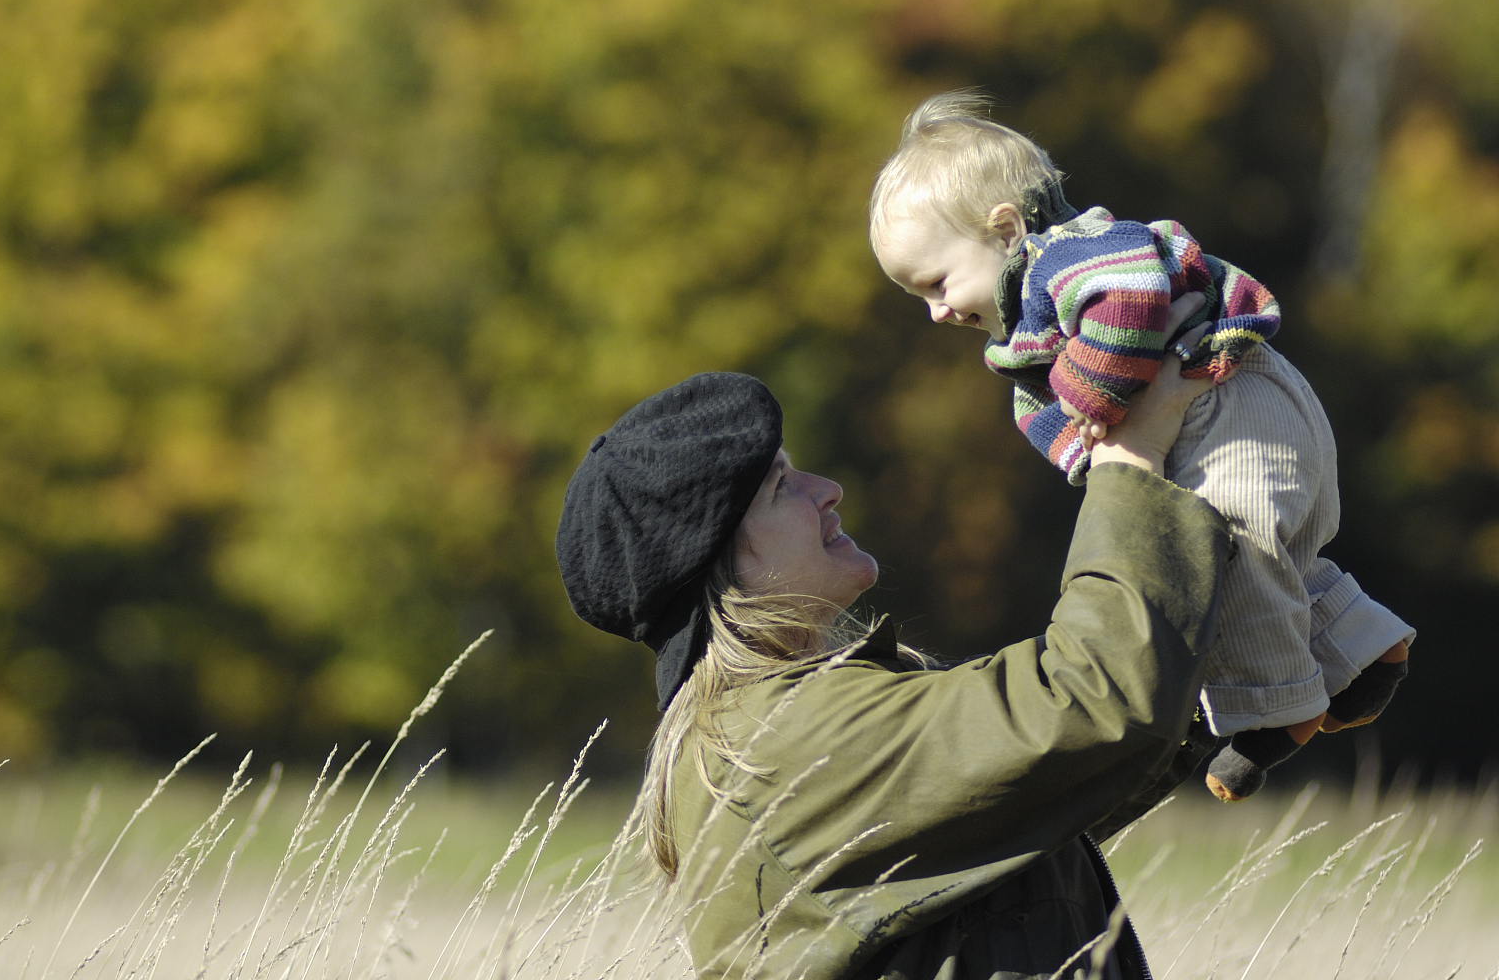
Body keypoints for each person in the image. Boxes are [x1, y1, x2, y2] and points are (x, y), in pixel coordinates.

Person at [555, 357, 1221, 979]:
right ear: (722, 564)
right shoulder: (784, 741)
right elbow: (1088, 704)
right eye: (781, 485)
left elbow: (1026, 807)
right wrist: (1129, 463)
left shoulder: (769, 728)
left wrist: (1240, 714)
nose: (826, 490)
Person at [866, 91, 1411, 801]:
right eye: (919, 298)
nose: (936, 312)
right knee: (1241, 551)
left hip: (1236, 405)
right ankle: (1366, 648)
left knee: (1231, 547)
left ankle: (1277, 715)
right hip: (1223, 422)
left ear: (1004, 231)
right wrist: (1091, 460)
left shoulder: (1075, 255)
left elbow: (1129, 300)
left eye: (936, 283)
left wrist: (1096, 399)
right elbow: (1040, 412)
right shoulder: (1028, 326)